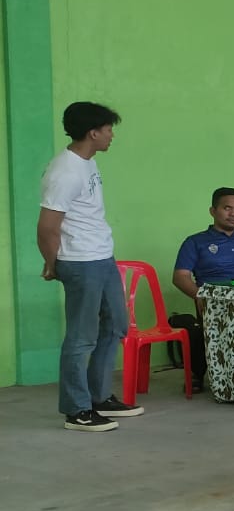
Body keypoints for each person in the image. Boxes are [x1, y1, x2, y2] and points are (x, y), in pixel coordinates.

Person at [37, 101, 141, 433]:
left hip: (102, 257)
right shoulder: (64, 172)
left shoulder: (88, 162)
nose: (112, 135)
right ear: (93, 132)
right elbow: (47, 227)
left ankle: (99, 397)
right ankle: (77, 410)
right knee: (81, 338)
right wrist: (52, 263)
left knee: (115, 326)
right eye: (108, 129)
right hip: (80, 262)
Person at [172, 189, 234, 388]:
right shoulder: (195, 242)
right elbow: (180, 277)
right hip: (214, 301)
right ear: (213, 211)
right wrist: (200, 295)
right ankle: (203, 373)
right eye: (227, 208)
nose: (233, 214)